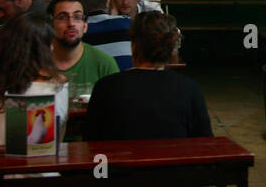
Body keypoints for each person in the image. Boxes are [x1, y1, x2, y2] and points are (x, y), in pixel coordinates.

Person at [84, 12, 212, 140]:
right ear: (172, 48)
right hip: (172, 159)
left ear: (134, 46)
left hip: (120, 159)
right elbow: (205, 142)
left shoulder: (106, 87)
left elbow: (91, 142)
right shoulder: (189, 89)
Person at [0, 15, 67, 148]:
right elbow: (54, 137)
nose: (53, 49)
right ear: (42, 51)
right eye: (50, 44)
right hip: (35, 164)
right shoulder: (51, 89)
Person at [48, 0, 119, 98]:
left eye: (77, 17)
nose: (71, 23)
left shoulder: (104, 63)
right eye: (62, 17)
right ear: (50, 25)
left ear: (85, 26)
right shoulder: (35, 62)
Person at [75, 0, 133, 69]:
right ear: (107, 2)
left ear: (77, 5)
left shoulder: (77, 31)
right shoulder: (128, 23)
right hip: (129, 80)